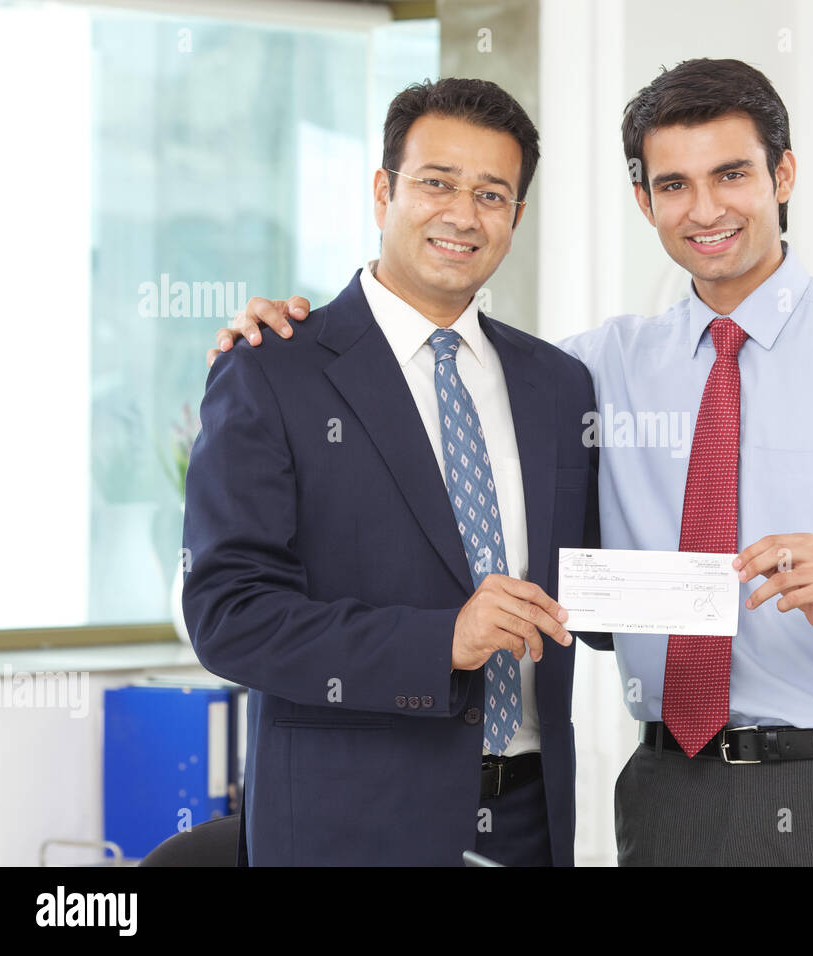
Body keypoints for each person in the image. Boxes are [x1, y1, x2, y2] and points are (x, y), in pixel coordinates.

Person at [208, 58, 813, 866]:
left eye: (732, 174)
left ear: (783, 174)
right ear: (645, 199)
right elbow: (434, 429)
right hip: (667, 790)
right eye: (673, 184)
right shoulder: (587, 371)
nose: (705, 209)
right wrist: (281, 330)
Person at [184, 77, 606, 867]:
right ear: (383, 191)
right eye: (436, 183)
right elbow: (229, 615)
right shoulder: (273, 370)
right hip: (348, 823)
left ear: (515, 218)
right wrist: (444, 639)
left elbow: (586, 587)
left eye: (491, 194)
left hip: (528, 819)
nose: (461, 214)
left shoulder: (557, 385)